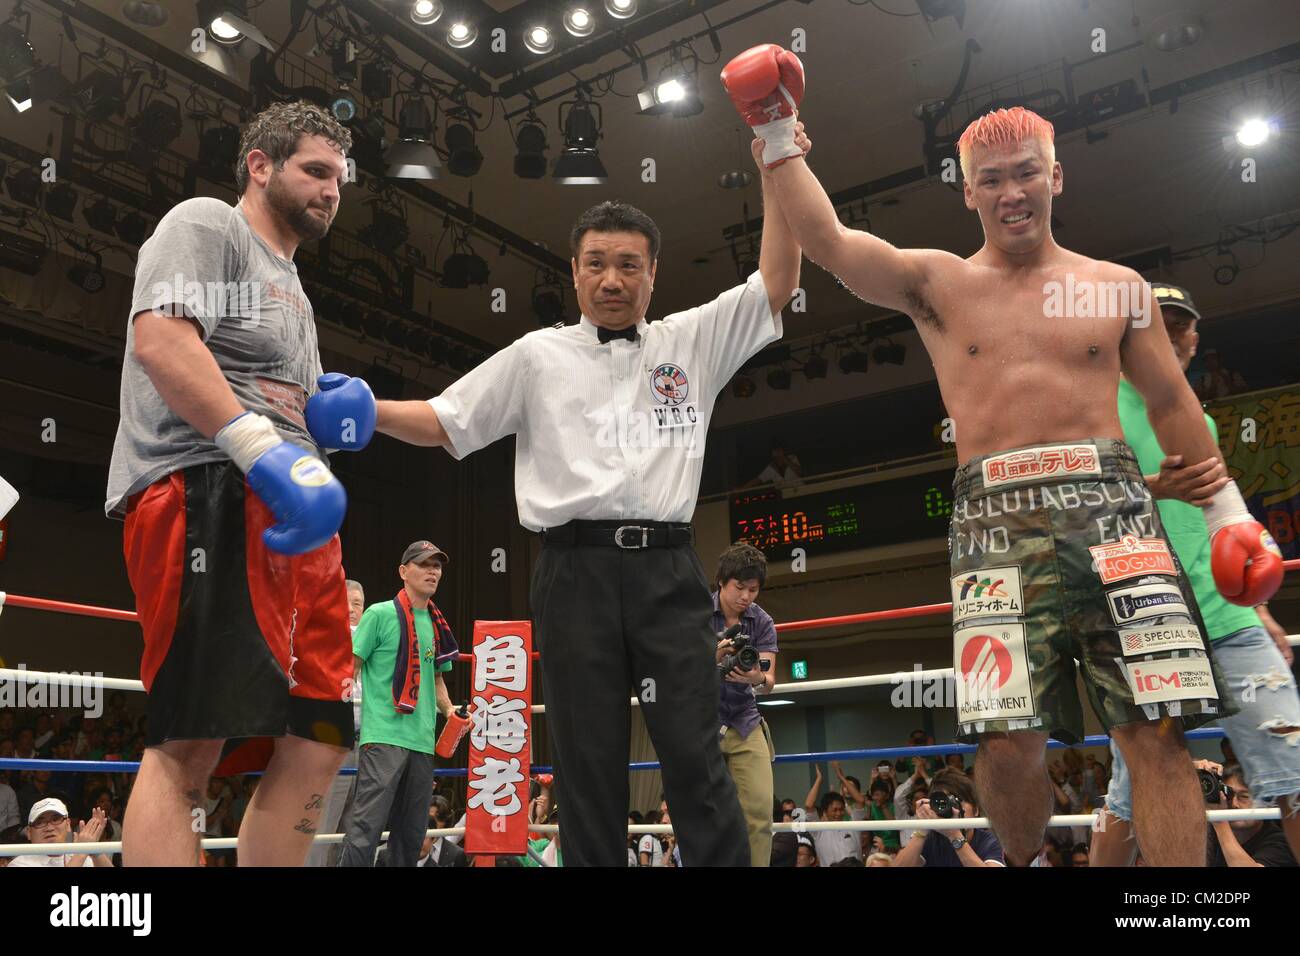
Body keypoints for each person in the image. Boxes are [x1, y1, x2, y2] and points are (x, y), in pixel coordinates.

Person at [733, 40, 1283, 865]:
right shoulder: (939, 284)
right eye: (990, 179)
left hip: (1118, 516)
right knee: (1004, 741)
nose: (1011, 191)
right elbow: (830, 242)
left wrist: (1226, 508)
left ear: (1056, 177)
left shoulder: (1117, 287)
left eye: (1026, 171)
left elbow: (1171, 403)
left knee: (1157, 734)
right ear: (967, 193)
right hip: (993, 523)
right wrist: (776, 129)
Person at [311, 175, 803, 865]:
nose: (611, 279)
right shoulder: (537, 355)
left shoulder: (692, 341)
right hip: (575, 573)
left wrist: (775, 157)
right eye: (596, 264)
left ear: (653, 273)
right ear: (574, 272)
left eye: (628, 264)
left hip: (669, 571)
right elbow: (448, 419)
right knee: (586, 766)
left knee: (696, 756)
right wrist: (368, 413)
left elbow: (777, 280)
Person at [104, 101, 357, 866]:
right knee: (191, 740)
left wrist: (333, 418)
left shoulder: (297, 290)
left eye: (339, 179)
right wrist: (260, 449)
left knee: (320, 736)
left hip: (293, 512)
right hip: (206, 489)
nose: (330, 191)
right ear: (260, 166)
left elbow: (283, 402)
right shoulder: (208, 224)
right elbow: (161, 340)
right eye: (315, 170)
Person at [1091, 283, 1300, 865]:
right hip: (1149, 614)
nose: (1174, 336)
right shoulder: (1098, 406)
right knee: (1135, 787)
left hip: (1228, 614)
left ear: (1195, 339)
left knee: (1295, 762)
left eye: (1182, 326)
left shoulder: (1199, 421)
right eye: (1161, 324)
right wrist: (1155, 486)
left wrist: (1260, 608)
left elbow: (1223, 519)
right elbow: (1080, 502)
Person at [338, 542, 458, 866]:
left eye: (437, 566)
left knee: (411, 834)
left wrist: (449, 711)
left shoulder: (435, 623)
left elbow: (436, 680)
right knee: (366, 826)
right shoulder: (378, 614)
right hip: (383, 736)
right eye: (424, 564)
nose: (433, 571)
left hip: (421, 739)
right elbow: (350, 667)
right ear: (404, 572)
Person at [711, 543, 778, 866]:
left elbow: (769, 681)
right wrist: (712, 657)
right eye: (739, 587)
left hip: (746, 721)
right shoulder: (693, 615)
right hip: (701, 724)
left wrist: (754, 678)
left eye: (752, 590)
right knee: (703, 816)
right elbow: (674, 671)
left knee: (761, 812)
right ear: (721, 582)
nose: (746, 597)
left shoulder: (762, 621)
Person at [308, 578, 367, 866]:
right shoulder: (323, 638)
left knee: (354, 829)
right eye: (348, 603)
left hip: (366, 743)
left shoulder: (372, 642)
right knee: (323, 827)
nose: (353, 609)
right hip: (333, 744)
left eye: (358, 604)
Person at [893, 769, 1005, 867]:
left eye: (958, 802)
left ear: (976, 810)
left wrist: (955, 835)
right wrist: (921, 830)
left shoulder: (991, 841)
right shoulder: (930, 839)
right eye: (945, 803)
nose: (953, 809)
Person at [1207, 764, 1297, 867]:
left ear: (1263, 802)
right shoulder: (1210, 834)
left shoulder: (1281, 842)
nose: (1234, 804)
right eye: (1229, 795)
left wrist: (1220, 822)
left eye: (1244, 796)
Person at [6, 798, 113, 868]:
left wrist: (95, 851)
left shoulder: (80, 857)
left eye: (56, 819)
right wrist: (81, 853)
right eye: (40, 822)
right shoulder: (19, 864)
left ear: (67, 825)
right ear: (29, 832)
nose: (49, 827)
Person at [802, 766, 867, 866]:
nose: (838, 813)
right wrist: (819, 779)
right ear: (825, 812)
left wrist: (841, 777)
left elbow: (861, 801)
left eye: (841, 810)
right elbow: (809, 805)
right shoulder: (818, 831)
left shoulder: (853, 826)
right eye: (834, 810)